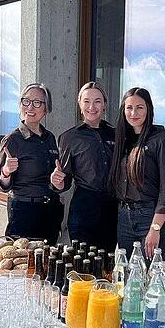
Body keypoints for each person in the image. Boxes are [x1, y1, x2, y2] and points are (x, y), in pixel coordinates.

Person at [109, 87, 165, 263]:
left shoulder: (164, 141)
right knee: (128, 280)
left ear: (149, 109)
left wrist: (155, 228)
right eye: (129, 107)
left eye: (139, 107)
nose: (134, 113)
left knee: (153, 281)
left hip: (151, 219)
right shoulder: (123, 141)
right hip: (125, 218)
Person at [50, 82, 118, 251]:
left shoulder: (116, 134)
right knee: (83, 265)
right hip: (84, 210)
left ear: (104, 105)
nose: (92, 107)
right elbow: (64, 181)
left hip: (112, 209)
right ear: (79, 104)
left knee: (107, 264)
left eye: (97, 101)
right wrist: (57, 182)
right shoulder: (69, 137)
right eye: (86, 101)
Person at [0, 83, 64, 244]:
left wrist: (57, 181)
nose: (30, 107)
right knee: (23, 263)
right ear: (20, 105)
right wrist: (6, 171)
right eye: (26, 101)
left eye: (37, 102)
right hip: (24, 211)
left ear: (46, 108)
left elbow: (55, 178)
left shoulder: (49, 138)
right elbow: (2, 184)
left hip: (50, 211)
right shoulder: (12, 139)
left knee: (47, 262)